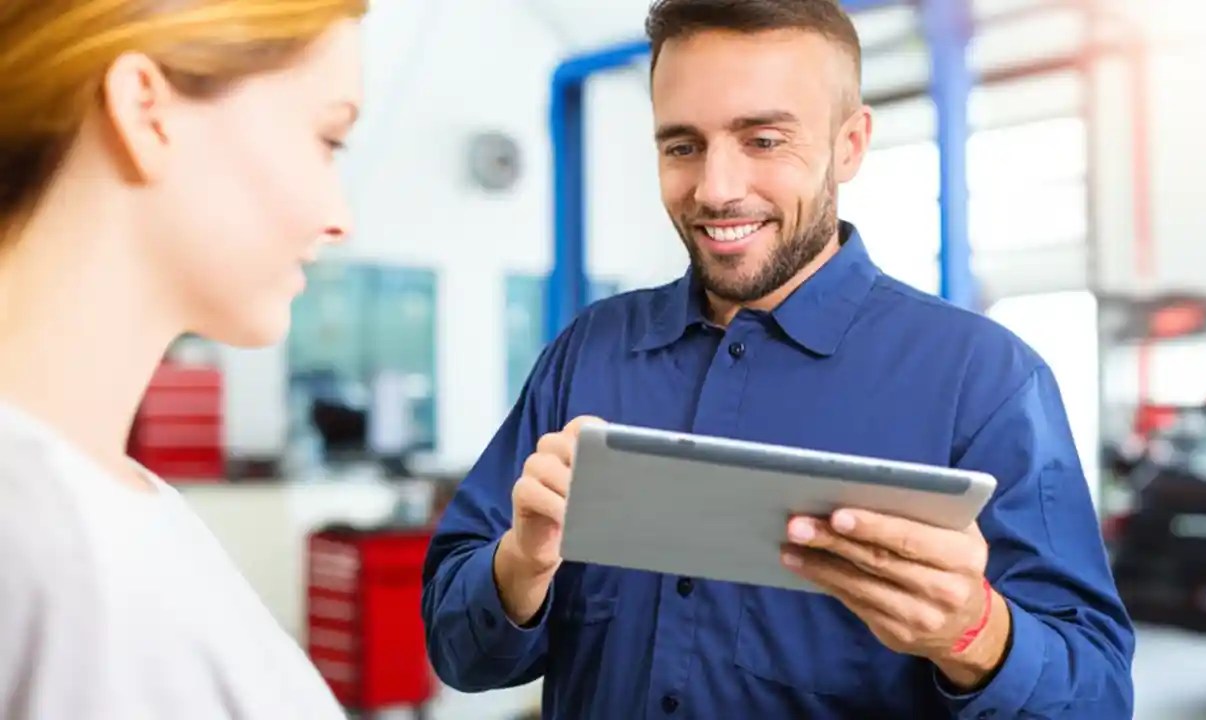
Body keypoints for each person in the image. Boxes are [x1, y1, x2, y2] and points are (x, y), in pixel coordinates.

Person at [422, 0, 1135, 717]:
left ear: (849, 144)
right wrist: (522, 565)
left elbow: (1097, 697)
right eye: (682, 146)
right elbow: (458, 651)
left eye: (763, 140)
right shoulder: (590, 353)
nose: (716, 189)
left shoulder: (982, 379)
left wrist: (974, 635)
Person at [0, 1, 365, 717]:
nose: (339, 216)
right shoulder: (44, 547)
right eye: (329, 139)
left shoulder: (115, 506)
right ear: (146, 110)